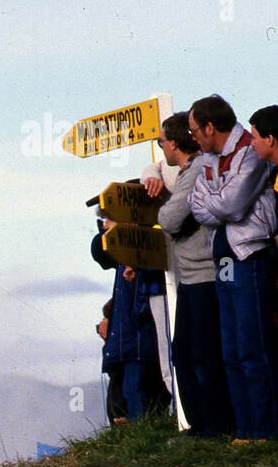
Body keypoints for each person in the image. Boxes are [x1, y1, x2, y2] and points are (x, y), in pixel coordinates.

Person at [188, 94, 278, 442]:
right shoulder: (209, 158)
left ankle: (264, 427)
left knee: (251, 343)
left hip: (247, 254)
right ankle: (245, 429)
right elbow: (201, 207)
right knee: (231, 348)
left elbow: (234, 205)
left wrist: (217, 200)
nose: (193, 135)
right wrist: (219, 202)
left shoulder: (250, 151)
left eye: (196, 129)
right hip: (223, 256)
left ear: (211, 127)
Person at [154, 111, 233, 437]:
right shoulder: (192, 170)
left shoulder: (196, 170)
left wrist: (164, 207)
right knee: (188, 352)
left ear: (174, 143)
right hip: (192, 276)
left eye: (161, 143)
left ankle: (211, 427)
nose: (161, 149)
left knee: (198, 354)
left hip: (201, 275)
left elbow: (171, 219)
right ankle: (203, 426)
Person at [92, 220, 167, 421]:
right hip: (127, 342)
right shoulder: (124, 255)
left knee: (138, 398)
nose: (106, 225)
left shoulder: (142, 252)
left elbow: (141, 304)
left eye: (109, 218)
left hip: (137, 341)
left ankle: (142, 439)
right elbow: (98, 250)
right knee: (126, 398)